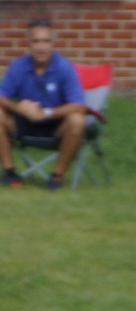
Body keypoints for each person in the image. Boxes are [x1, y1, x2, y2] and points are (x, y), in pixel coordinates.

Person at [0, 19, 87, 191]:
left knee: (78, 120)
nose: (41, 47)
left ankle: (56, 177)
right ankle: (10, 172)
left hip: (56, 126)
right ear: (29, 44)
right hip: (23, 122)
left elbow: (79, 105)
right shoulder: (18, 66)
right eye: (36, 41)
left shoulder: (64, 67)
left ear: (53, 43)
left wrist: (45, 113)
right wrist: (19, 108)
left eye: (46, 41)